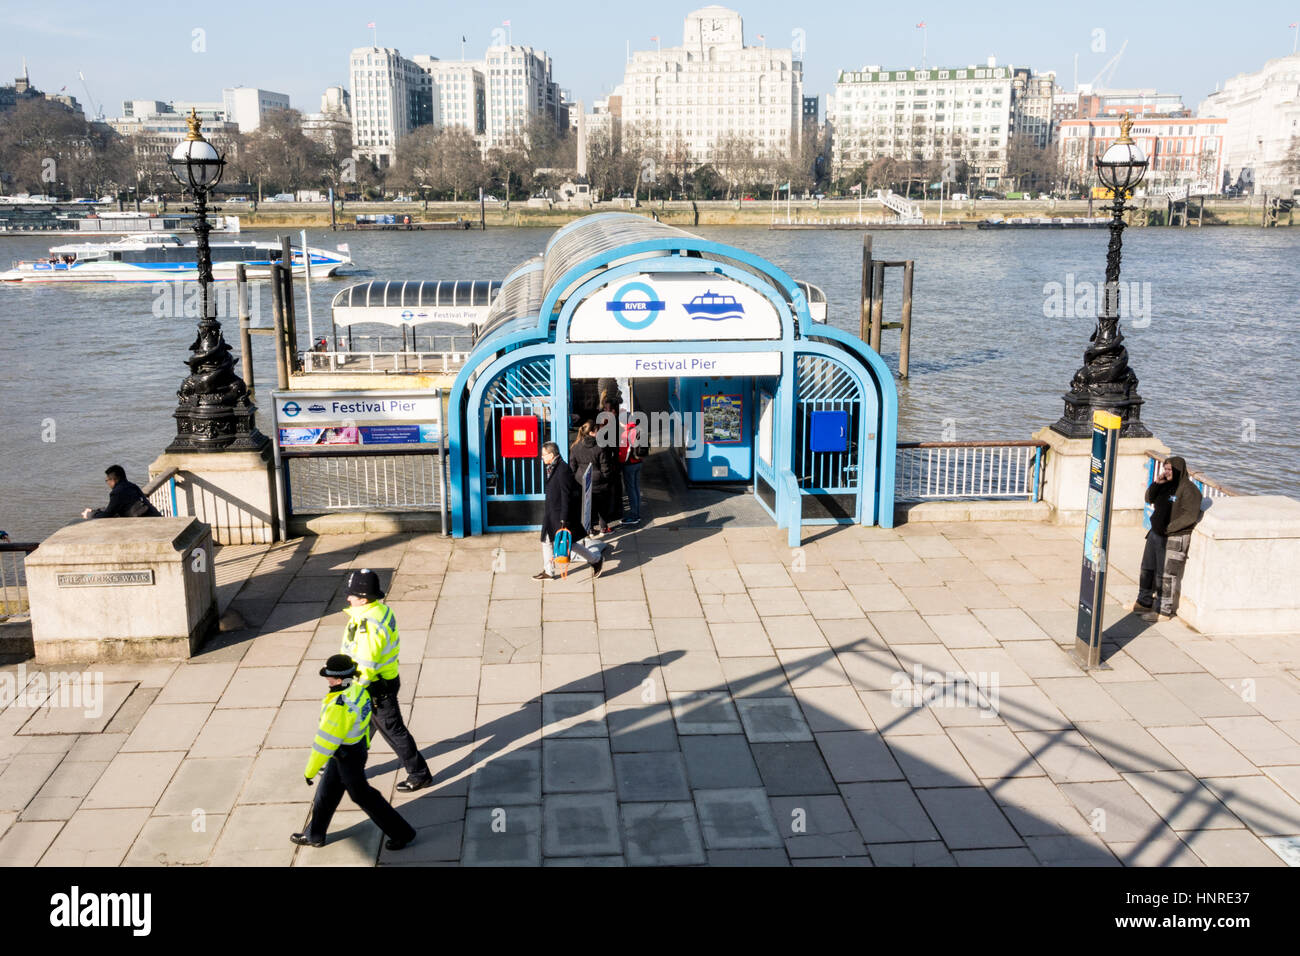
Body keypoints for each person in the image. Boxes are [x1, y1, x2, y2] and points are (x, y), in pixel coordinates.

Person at [291, 654, 417, 850]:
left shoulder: (338, 706)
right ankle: (314, 835)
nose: (327, 679)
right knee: (326, 792)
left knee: (363, 796)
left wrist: (310, 771)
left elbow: (324, 744)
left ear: (339, 679)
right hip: (355, 749)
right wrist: (364, 744)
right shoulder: (358, 690)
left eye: (329, 676)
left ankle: (402, 833)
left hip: (346, 755)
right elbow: (365, 723)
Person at [340, 568, 432, 792]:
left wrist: (350, 690)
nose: (348, 598)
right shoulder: (378, 611)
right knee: (361, 727)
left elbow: (366, 665)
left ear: (363, 598)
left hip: (375, 688)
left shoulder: (368, 627)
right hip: (381, 682)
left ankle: (419, 774)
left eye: (352, 594)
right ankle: (346, 766)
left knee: (393, 730)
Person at [1136, 455, 1203, 622]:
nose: (1166, 472)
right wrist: (1157, 482)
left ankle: (1163, 611)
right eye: (1165, 469)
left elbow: (1191, 515)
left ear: (1179, 470)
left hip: (1173, 537)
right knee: (1148, 569)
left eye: (1169, 470)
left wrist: (1170, 528)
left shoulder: (1189, 490)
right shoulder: (1165, 484)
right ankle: (1144, 601)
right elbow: (1148, 498)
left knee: (1166, 574)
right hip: (1155, 534)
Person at [538, 441, 603, 580]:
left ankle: (596, 560)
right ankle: (549, 571)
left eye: (543, 455)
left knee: (569, 543)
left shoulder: (562, 469)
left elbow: (566, 495)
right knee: (546, 540)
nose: (541, 457)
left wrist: (563, 518)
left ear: (551, 454)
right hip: (551, 512)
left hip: (559, 514)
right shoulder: (551, 467)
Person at [568, 418, 618, 534]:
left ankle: (589, 529)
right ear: (591, 432)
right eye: (596, 431)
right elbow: (605, 467)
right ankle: (603, 528)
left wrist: (577, 477)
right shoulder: (600, 447)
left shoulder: (575, 446)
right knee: (602, 506)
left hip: (582, 481)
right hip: (599, 482)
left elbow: (572, 466)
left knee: (586, 507)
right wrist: (606, 478)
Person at [81, 465, 160, 520]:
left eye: (107, 480)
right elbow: (114, 508)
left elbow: (107, 515)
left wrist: (89, 515)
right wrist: (95, 511)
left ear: (113, 480)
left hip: (145, 523)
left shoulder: (117, 492)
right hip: (155, 516)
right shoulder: (132, 486)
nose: (107, 483)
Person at [619, 410, 647, 526]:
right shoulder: (639, 429)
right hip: (639, 462)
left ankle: (634, 515)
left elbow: (623, 453)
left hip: (629, 465)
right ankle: (637, 513)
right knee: (636, 488)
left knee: (631, 490)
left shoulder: (626, 433)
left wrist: (619, 463)